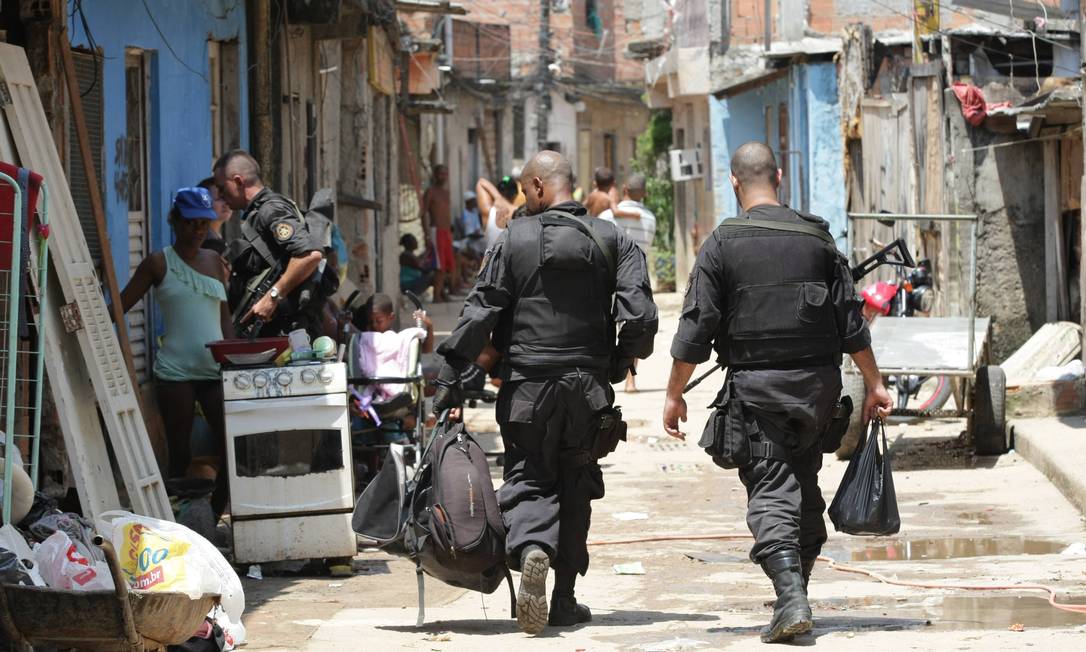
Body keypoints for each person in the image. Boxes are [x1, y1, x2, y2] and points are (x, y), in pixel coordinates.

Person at [661, 142, 893, 644]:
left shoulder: (723, 244)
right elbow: (851, 322)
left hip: (759, 389)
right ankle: (796, 592)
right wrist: (874, 383)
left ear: (733, 181)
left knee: (771, 492)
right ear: (780, 176)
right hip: (817, 393)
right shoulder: (818, 238)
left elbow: (695, 327)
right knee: (803, 487)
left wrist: (674, 394)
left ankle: (790, 598)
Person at [433, 150, 658, 635]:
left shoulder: (513, 239)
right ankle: (564, 598)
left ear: (536, 186)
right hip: (587, 389)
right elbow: (641, 317)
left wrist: (450, 375)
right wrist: (619, 362)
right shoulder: (612, 238)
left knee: (530, 477)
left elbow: (480, 312)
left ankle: (534, 545)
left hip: (528, 388)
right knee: (577, 482)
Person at [119, 188, 234, 502]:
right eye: (190, 223)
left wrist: (233, 357)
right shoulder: (157, 263)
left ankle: (214, 512)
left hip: (214, 370)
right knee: (180, 451)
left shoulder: (214, 261)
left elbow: (224, 318)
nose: (198, 231)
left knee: (230, 445)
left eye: (203, 224)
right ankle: (177, 518)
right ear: (175, 221)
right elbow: (119, 307)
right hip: (175, 374)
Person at [213, 150, 324, 338]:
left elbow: (310, 255)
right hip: (277, 331)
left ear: (238, 182)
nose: (221, 196)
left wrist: (273, 296)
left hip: (290, 332)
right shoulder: (258, 214)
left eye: (222, 188)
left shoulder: (270, 210)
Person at [598, 173, 657, 393]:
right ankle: (630, 379)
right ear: (644, 193)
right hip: (637, 278)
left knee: (607, 324)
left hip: (607, 278)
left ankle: (604, 373)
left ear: (624, 189)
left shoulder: (605, 216)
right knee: (633, 326)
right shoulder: (650, 218)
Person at [421, 164, 458, 301]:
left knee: (449, 265)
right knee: (439, 266)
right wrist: (426, 234)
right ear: (435, 175)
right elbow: (423, 213)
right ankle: (437, 296)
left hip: (447, 232)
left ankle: (442, 293)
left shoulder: (446, 193)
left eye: (445, 174)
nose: (443, 176)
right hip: (436, 231)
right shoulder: (430, 192)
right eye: (440, 173)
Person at [476, 175, 519, 251]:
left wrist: (497, 197)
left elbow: (481, 182)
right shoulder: (521, 213)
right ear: (515, 195)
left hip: (490, 262)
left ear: (498, 191)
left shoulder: (488, 212)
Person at [196, 176, 234, 255]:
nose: (226, 202)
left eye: (228, 196)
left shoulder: (216, 237)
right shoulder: (204, 243)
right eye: (219, 198)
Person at [399, 234, 435, 298]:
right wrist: (428, 251)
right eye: (414, 241)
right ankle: (439, 297)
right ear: (408, 243)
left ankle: (441, 296)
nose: (416, 242)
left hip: (411, 284)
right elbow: (421, 267)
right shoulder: (406, 255)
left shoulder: (410, 255)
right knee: (434, 275)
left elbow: (419, 259)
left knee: (437, 275)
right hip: (408, 286)